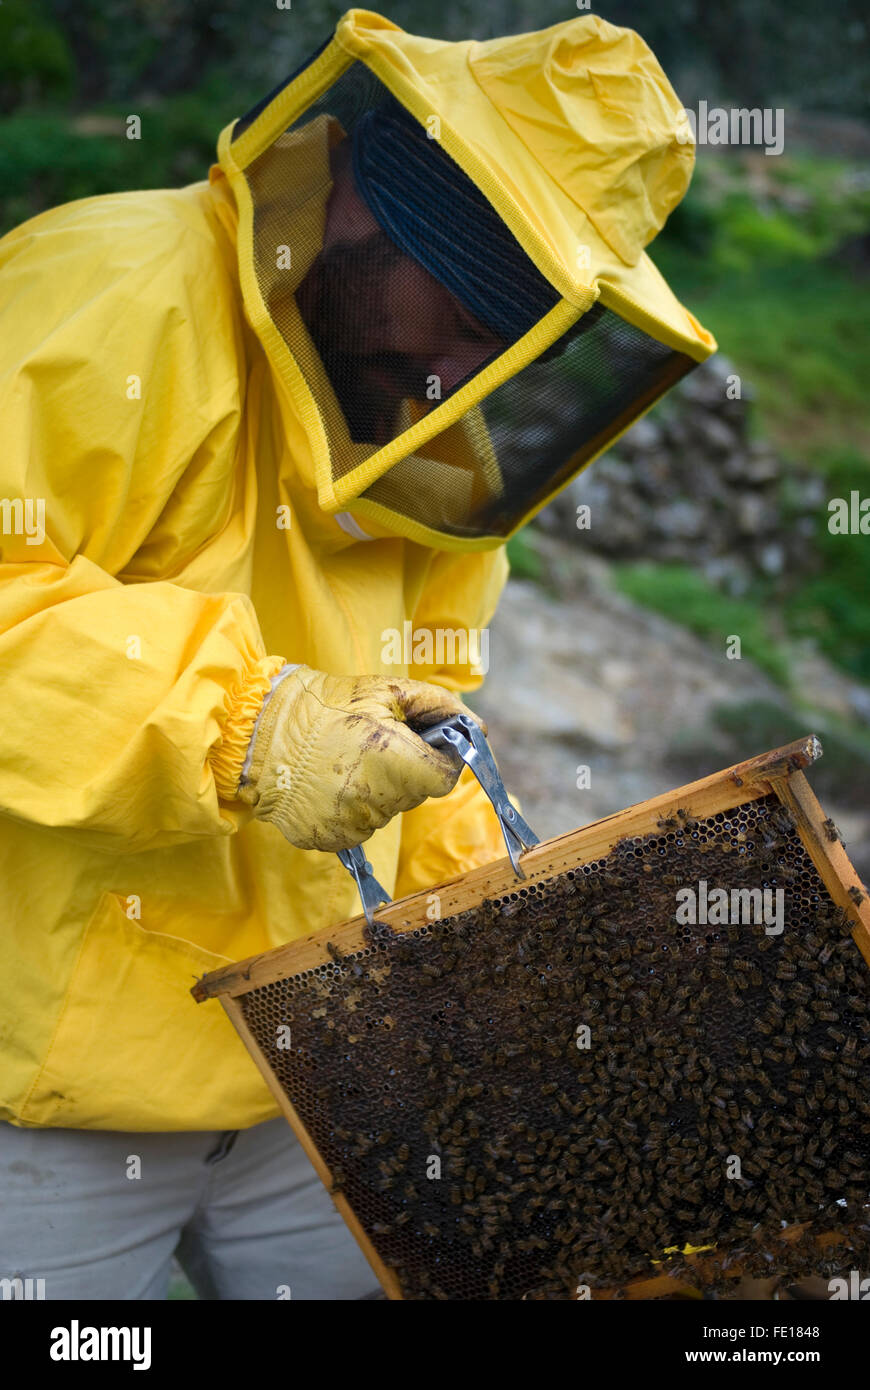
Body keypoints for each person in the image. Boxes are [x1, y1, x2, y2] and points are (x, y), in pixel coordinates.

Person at [0, 9, 715, 1299]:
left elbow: (438, 743)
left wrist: (486, 959)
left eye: (516, 336)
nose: (461, 370)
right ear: (369, 211)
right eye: (472, 307)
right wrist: (248, 725)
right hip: (44, 1081)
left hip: (318, 1062)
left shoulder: (431, 449)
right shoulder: (111, 292)